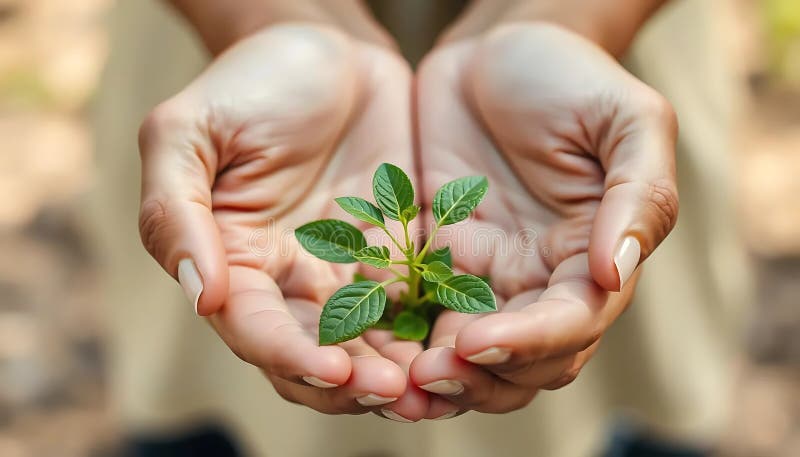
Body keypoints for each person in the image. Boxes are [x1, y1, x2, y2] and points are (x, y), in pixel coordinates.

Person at [89, 0, 750, 455]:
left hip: (592, 80)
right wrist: (263, 16)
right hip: (234, 89)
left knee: (626, 395)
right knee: (217, 400)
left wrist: (567, 18)